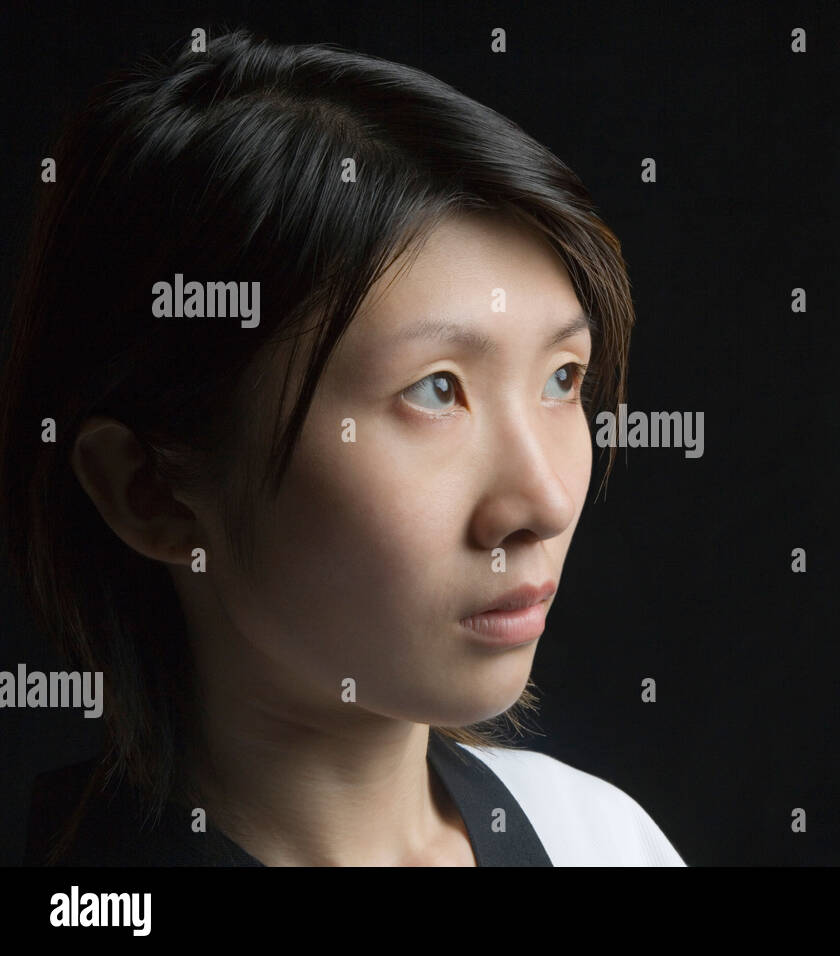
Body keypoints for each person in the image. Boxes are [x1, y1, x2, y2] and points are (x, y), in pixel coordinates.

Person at [2, 28, 683, 867]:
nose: (544, 501)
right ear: (150, 489)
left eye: (562, 379)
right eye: (436, 390)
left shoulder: (596, 837)